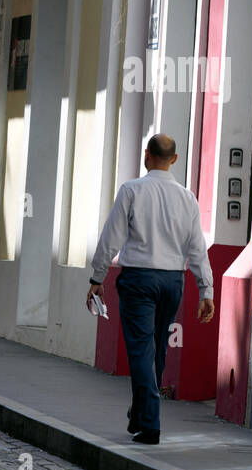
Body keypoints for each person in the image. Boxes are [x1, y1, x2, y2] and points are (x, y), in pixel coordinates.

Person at [88, 133, 214, 444]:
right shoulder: (188, 198)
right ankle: (142, 415)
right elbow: (197, 248)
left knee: (142, 350)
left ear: (147, 155)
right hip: (173, 280)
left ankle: (151, 423)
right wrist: (206, 290)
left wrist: (97, 278)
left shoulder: (131, 190)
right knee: (158, 349)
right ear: (174, 159)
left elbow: (111, 238)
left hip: (139, 279)